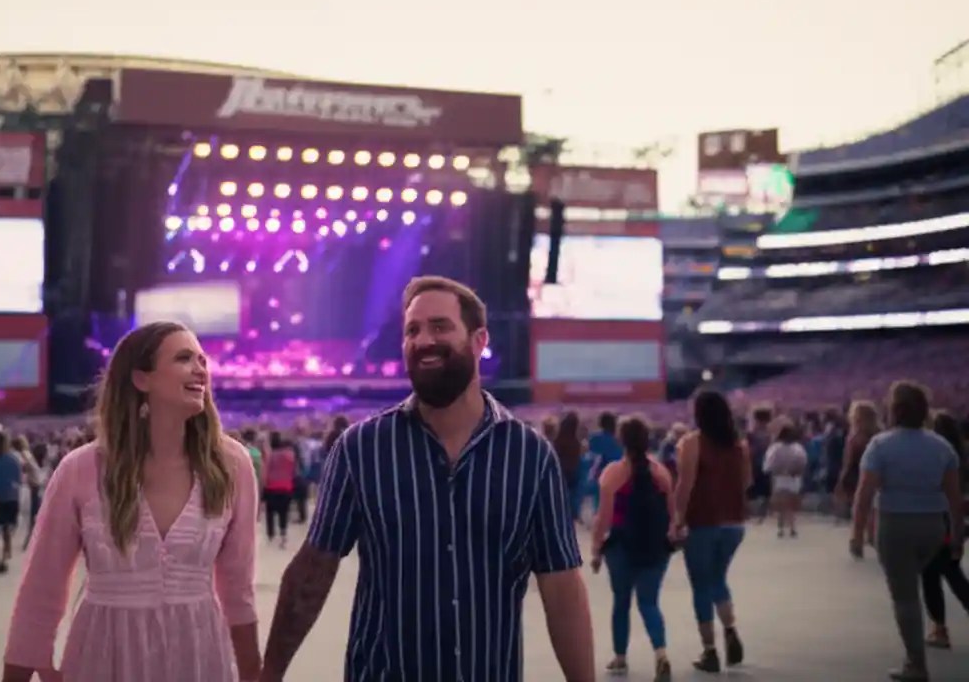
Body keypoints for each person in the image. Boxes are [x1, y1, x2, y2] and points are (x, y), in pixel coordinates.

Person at [259, 276, 594, 682]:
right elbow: (313, 570)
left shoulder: (529, 456)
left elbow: (561, 584)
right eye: (412, 330)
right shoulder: (362, 449)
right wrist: (269, 673)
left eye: (439, 326)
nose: (423, 340)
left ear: (479, 340)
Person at [2, 321, 260, 682]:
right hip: (103, 656)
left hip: (199, 657)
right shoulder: (81, 469)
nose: (201, 369)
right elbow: (41, 588)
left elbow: (238, 588)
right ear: (141, 379)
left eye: (202, 360)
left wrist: (254, 672)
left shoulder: (232, 465)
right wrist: (32, 667)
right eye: (184, 358)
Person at [852, 381, 962, 681]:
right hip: (933, 525)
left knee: (905, 596)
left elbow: (864, 493)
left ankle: (916, 663)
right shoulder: (942, 446)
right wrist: (957, 535)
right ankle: (926, 639)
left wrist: (857, 532)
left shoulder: (881, 445)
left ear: (894, 409)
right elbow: (954, 497)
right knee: (920, 580)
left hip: (895, 523)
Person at [590, 414, 676, 681]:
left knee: (621, 602)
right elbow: (671, 514)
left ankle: (620, 656)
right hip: (655, 547)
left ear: (621, 439)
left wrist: (596, 549)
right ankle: (661, 654)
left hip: (621, 546)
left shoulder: (613, 473)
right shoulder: (661, 473)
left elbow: (603, 518)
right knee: (649, 602)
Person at [673, 389, 751, 674]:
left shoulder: (692, 443)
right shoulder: (740, 445)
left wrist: (677, 519)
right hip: (734, 523)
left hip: (703, 522)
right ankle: (730, 630)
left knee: (701, 586)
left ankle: (709, 650)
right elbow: (747, 482)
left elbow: (685, 485)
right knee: (718, 578)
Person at [923, 411, 969, 649]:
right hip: (954, 520)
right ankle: (938, 627)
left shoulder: (937, 457)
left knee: (934, 574)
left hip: (939, 519)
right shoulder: (961, 456)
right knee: (948, 571)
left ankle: (939, 628)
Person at [764, 418, 809, 539]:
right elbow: (803, 463)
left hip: (779, 477)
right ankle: (792, 527)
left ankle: (780, 527)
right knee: (791, 504)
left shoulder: (775, 448)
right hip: (793, 478)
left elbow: (769, 464)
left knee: (780, 505)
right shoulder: (798, 448)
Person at [0, 430, 23, 574]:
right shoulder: (14, 460)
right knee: (7, 529)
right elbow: (19, 480)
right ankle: (5, 557)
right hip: (11, 497)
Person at [262, 431, 297, 549]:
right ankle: (283, 534)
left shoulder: (270, 455)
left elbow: (265, 472)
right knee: (284, 512)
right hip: (286, 487)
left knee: (270, 512)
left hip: (271, 487)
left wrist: (263, 486)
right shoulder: (290, 455)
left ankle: (271, 535)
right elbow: (294, 470)